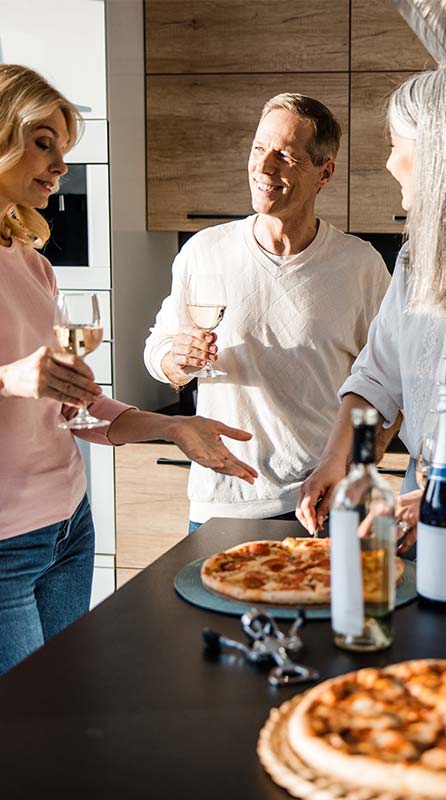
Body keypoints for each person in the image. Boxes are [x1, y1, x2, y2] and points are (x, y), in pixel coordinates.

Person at [0, 64, 258, 676]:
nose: (60, 165)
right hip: (5, 545)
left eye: (63, 147)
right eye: (42, 142)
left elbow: (74, 413)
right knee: (21, 734)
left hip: (68, 525)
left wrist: (170, 428)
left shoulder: (31, 264)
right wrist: (12, 378)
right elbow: (20, 380)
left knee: (62, 710)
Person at [144, 93, 390, 531]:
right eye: (259, 148)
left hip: (323, 502)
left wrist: (360, 467)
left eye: (286, 156)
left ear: (324, 173)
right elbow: (159, 351)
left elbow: (391, 380)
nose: (263, 167)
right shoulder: (204, 252)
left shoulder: (361, 265)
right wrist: (174, 360)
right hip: (223, 501)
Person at [296, 66, 446, 554]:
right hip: (417, 505)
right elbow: (377, 377)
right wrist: (335, 461)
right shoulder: (416, 258)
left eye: (396, 144)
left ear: (434, 152)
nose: (388, 163)